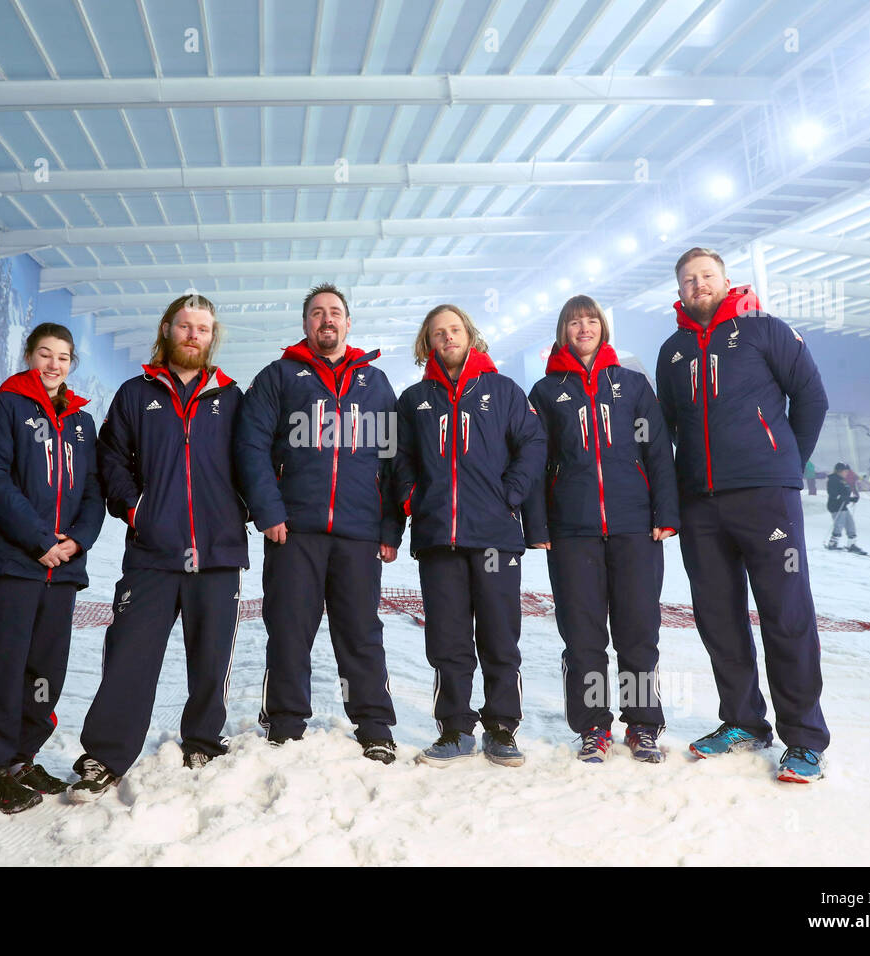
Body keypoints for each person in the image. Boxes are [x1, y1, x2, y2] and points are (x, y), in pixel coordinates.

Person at [655, 248, 830, 783]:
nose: (697, 284)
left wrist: (783, 464)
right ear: (680, 290)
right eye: (688, 279)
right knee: (718, 617)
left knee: (785, 612)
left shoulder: (765, 330)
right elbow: (668, 431)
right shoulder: (673, 351)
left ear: (725, 280)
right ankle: (744, 721)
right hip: (701, 503)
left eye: (706, 276)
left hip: (765, 496)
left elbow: (812, 400)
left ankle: (803, 739)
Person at [69, 295, 249, 801]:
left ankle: (203, 741)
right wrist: (136, 509)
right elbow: (110, 459)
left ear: (213, 338)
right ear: (167, 330)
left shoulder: (233, 398)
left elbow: (257, 458)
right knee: (130, 653)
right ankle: (105, 754)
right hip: (152, 551)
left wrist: (245, 508)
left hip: (218, 550)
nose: (194, 335)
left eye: (204, 329)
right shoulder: (134, 394)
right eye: (185, 326)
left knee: (212, 658)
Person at [235, 282, 404, 763]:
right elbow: (252, 447)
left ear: (348, 323)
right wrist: (268, 512)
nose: (326, 320)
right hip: (295, 531)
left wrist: (390, 528)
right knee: (289, 628)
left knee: (361, 631)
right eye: (316, 313)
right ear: (305, 324)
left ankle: (374, 724)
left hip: (358, 531)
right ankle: (286, 723)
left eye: (334, 313)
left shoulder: (375, 383)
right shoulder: (279, 377)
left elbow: (393, 460)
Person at [523, 296, 679, 764]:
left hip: (635, 528)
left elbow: (657, 451)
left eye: (591, 320)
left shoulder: (631, 384)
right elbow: (534, 463)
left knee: (638, 631)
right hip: (572, 532)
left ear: (603, 328)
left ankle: (643, 724)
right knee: (584, 635)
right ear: (562, 331)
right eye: (575, 322)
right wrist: (538, 524)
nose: (584, 327)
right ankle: (592, 726)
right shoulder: (546, 391)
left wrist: (665, 513)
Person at [393, 304, 545, 767]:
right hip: (439, 538)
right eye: (437, 333)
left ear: (469, 335)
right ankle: (455, 729)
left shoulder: (501, 390)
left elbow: (534, 443)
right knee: (448, 638)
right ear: (428, 343)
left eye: (454, 329)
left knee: (500, 636)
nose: (447, 338)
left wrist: (511, 493)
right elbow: (398, 459)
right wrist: (413, 498)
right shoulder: (415, 399)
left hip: (495, 535)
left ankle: (502, 728)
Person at [0, 324, 105, 812]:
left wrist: (76, 541)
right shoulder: (6, 407)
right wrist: (39, 540)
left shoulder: (81, 422)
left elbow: (93, 491)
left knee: (46, 669)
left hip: (61, 569)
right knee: (5, 667)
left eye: (63, 357)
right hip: (13, 562)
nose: (53, 364)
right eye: (44, 354)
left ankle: (23, 757)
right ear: (29, 356)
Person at [825, 463, 864, 553]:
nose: (846, 473)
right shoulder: (833, 479)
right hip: (835, 505)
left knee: (850, 523)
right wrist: (842, 497)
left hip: (843, 505)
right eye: (845, 471)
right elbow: (833, 494)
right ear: (839, 471)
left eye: (847, 471)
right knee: (839, 524)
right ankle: (833, 543)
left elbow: (845, 493)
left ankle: (851, 544)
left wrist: (852, 499)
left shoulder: (842, 480)